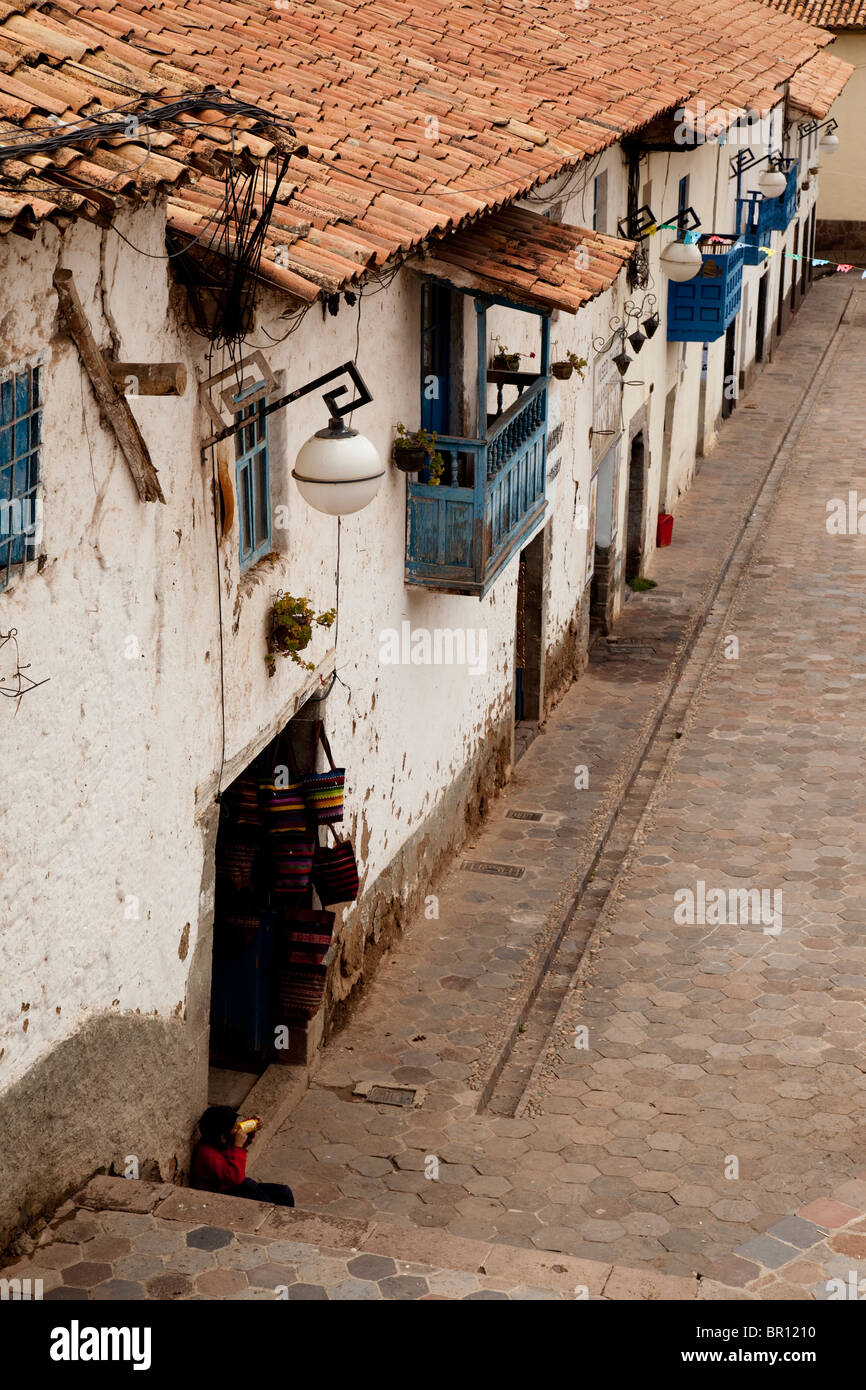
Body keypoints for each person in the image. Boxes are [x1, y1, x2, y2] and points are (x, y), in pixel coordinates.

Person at [191, 1105, 294, 1207]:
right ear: (223, 1137)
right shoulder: (207, 1154)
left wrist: (252, 1126)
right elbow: (235, 1178)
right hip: (221, 1193)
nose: (238, 1129)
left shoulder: (219, 1140)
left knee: (284, 1192)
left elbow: (231, 1144)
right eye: (235, 1127)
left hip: (233, 1186)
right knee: (249, 1185)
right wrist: (238, 1147)